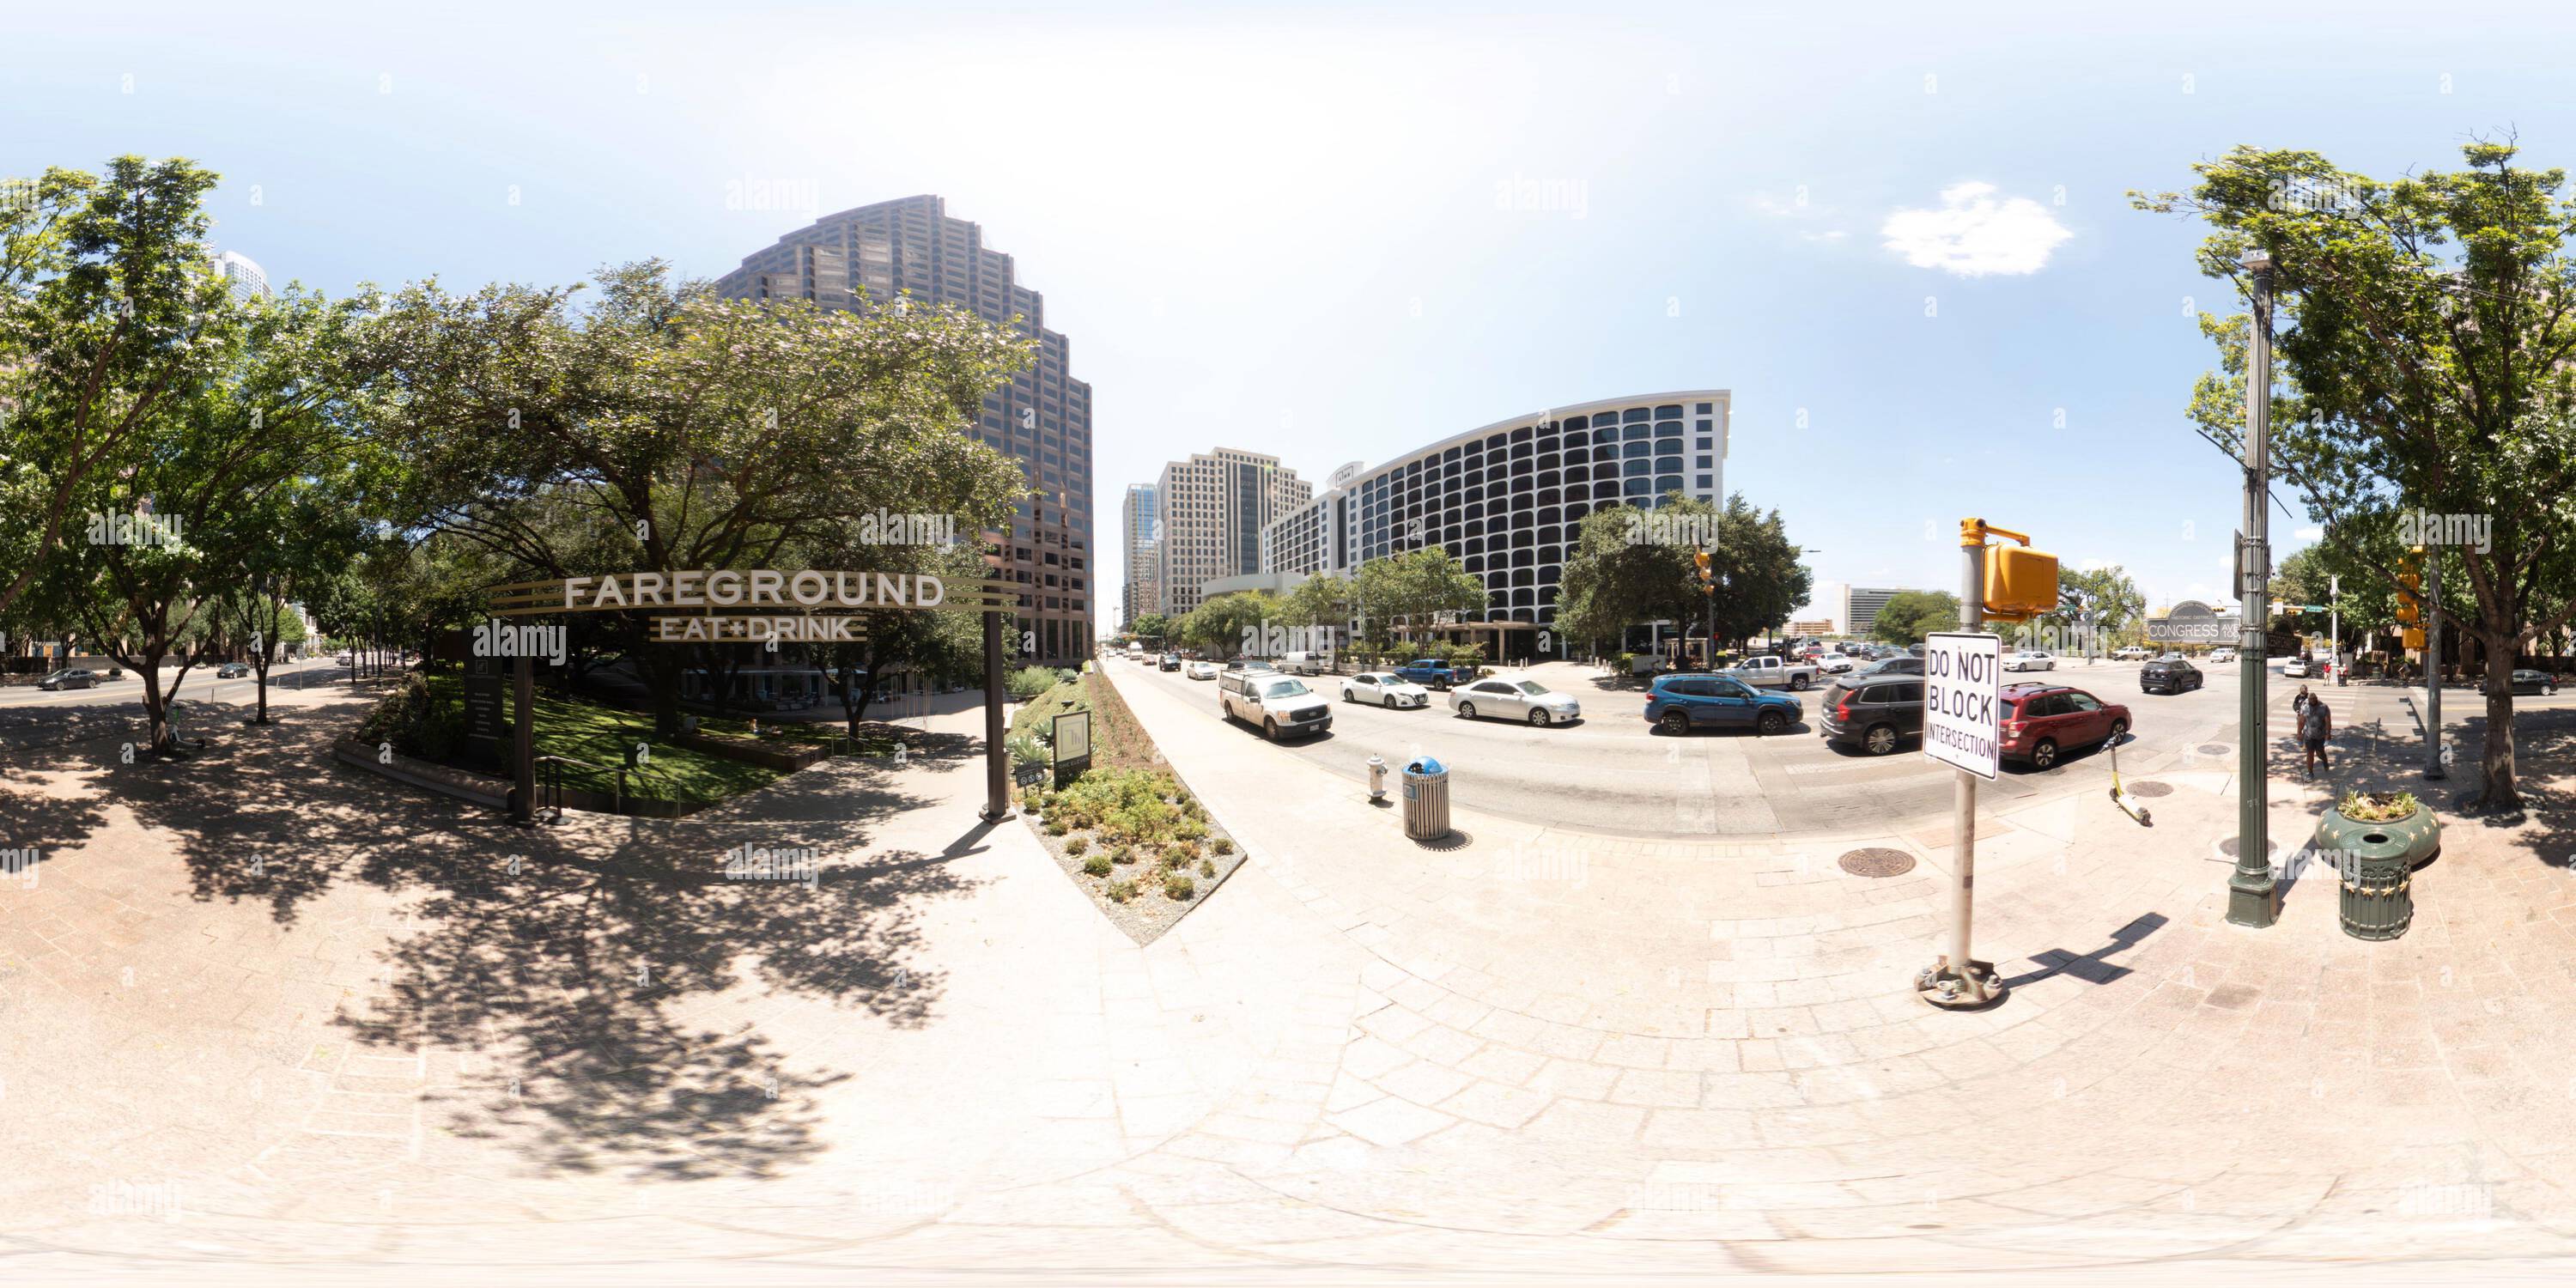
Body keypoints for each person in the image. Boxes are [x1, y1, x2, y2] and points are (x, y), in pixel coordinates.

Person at [2300, 691, 2332, 777]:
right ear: (2309, 700)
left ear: (2317, 699)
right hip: (2309, 735)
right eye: (2311, 700)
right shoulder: (2305, 707)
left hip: (2320, 735)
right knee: (2310, 753)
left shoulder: (2323, 707)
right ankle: (2310, 773)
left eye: (2314, 699)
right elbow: (2301, 721)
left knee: (2320, 753)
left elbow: (2328, 721)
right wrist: (2299, 733)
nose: (2313, 701)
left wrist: (2328, 733)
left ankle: (2325, 761)